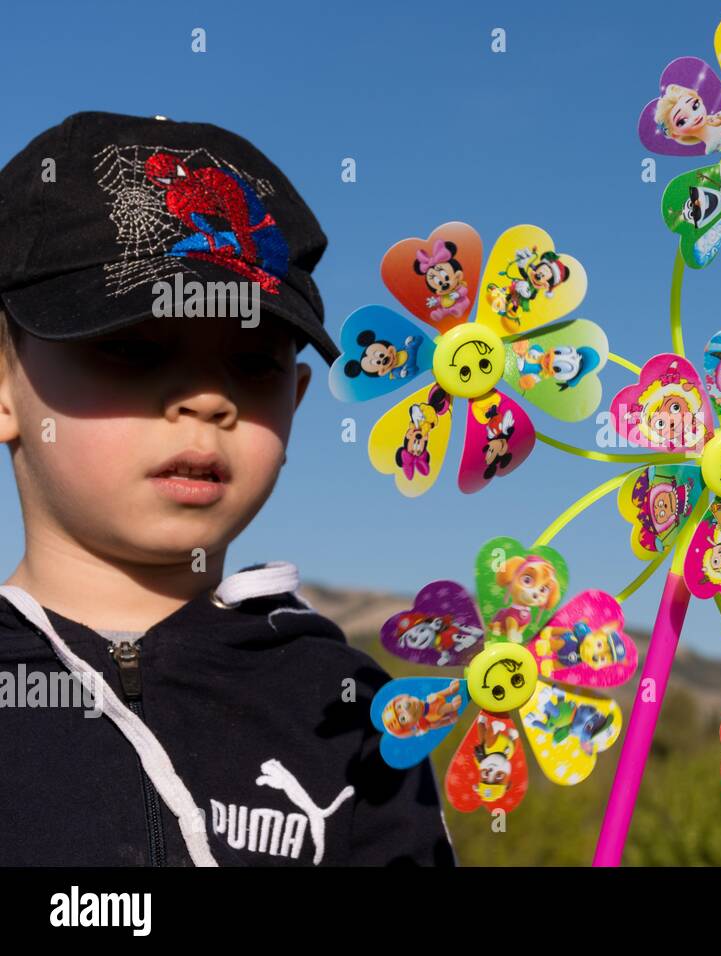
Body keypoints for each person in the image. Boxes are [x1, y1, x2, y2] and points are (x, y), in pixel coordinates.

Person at [0, 112, 454, 866]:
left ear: (298, 402)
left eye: (254, 365)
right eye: (133, 348)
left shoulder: (348, 708)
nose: (209, 401)